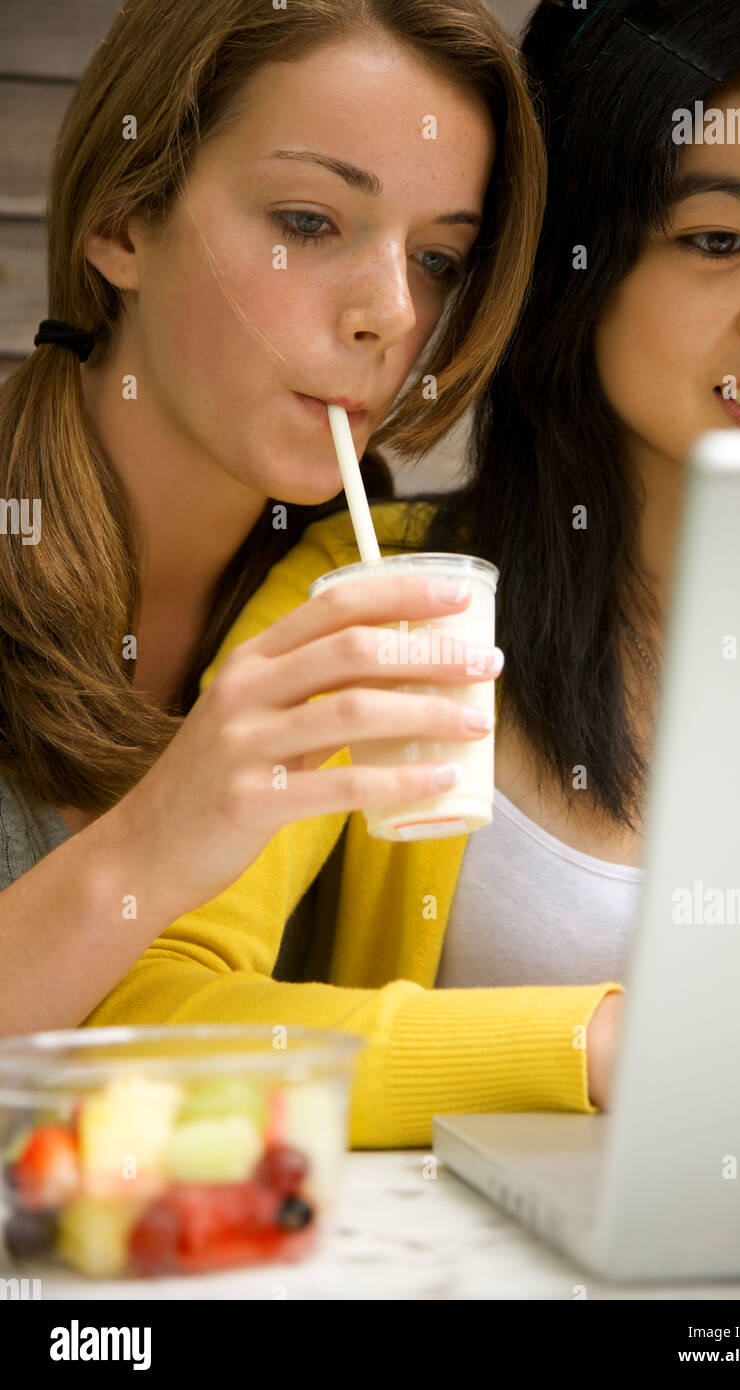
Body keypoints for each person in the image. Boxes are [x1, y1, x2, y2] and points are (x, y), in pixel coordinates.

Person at [87, 0, 740, 1147]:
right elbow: (148, 1025)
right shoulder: (388, 594)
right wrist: (596, 1046)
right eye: (713, 238)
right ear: (573, 267)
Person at [0, 0, 547, 1040]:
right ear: (123, 220)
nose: (388, 312)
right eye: (308, 221)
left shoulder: (360, 585)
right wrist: (153, 838)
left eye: (435, 258)